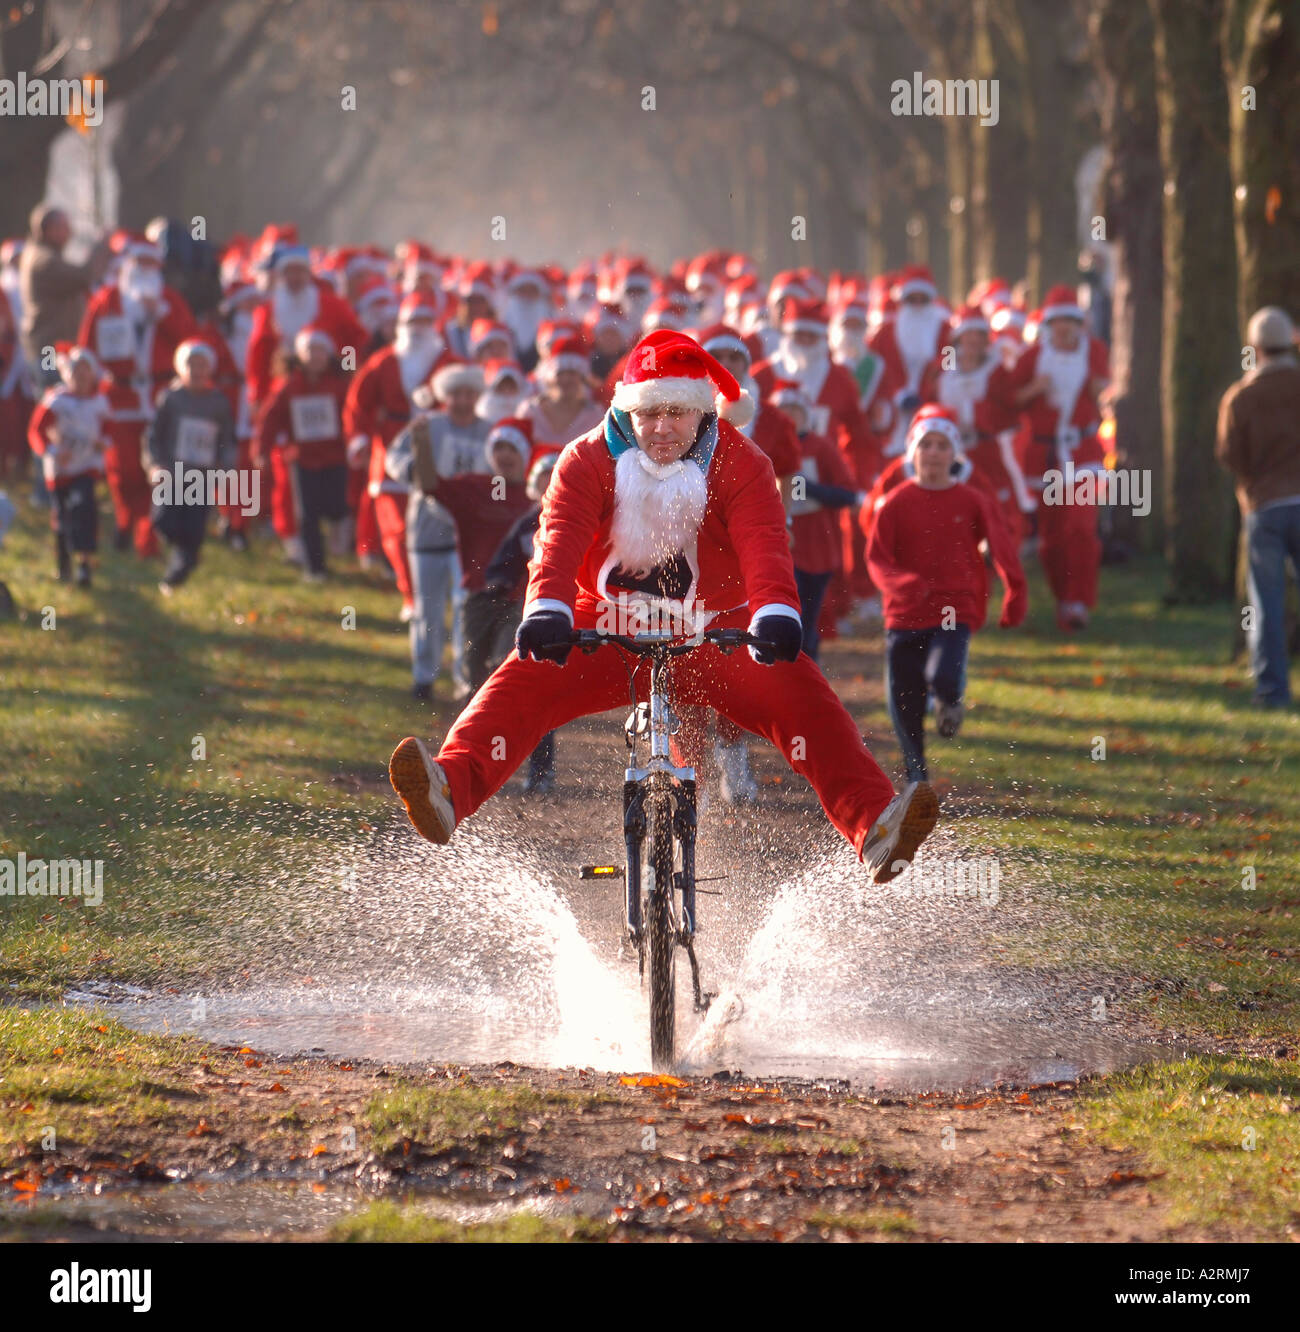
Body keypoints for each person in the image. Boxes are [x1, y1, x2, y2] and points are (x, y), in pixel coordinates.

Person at [387, 330, 940, 885]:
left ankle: (874, 824)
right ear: (628, 409)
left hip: (716, 626)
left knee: (804, 700)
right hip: (605, 619)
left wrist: (776, 613)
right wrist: (546, 610)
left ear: (703, 413)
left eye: (676, 413)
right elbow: (557, 542)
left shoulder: (741, 461)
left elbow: (764, 544)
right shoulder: (584, 458)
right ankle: (448, 791)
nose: (660, 429)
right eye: (648, 413)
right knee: (521, 682)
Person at [867, 406, 1027, 785]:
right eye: (927, 445)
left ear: (955, 454)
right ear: (912, 453)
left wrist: (1015, 589)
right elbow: (876, 558)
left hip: (956, 606)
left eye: (942, 446)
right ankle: (915, 773)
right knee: (904, 697)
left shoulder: (972, 499)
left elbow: (1002, 544)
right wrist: (900, 584)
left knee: (943, 673)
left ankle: (949, 699)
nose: (934, 453)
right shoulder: (895, 502)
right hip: (904, 613)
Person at [388, 416, 532, 695]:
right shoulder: (474, 487)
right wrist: (421, 442)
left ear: (525, 455)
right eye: (499, 447)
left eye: (512, 448)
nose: (505, 455)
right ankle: (471, 735)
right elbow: (430, 485)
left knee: (506, 668)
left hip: (520, 600)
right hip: (477, 595)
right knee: (472, 677)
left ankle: (527, 737)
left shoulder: (538, 494)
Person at [78, 236, 199, 558]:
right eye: (139, 264)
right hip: (119, 397)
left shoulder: (169, 300)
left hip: (160, 396)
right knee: (123, 469)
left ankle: (149, 536)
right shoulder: (105, 301)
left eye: (151, 266)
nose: (145, 271)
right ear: (127, 266)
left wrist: (162, 315)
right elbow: (88, 349)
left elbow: (191, 341)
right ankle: (124, 520)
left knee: (157, 470)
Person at [998, 284, 1110, 631]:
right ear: (1048, 324)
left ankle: (1079, 601)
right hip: (1044, 455)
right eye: (1058, 321)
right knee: (1052, 534)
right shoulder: (1033, 357)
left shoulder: (1094, 350)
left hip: (1083, 452)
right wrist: (1034, 389)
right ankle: (1064, 598)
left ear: (1080, 324)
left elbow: (1103, 390)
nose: (1064, 328)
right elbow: (1008, 399)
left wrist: (1101, 392)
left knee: (1080, 527)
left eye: (1071, 322)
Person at [384, 360, 491, 699]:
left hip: (468, 535)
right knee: (426, 608)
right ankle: (423, 676)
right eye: (456, 393)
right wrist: (415, 472)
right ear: (446, 396)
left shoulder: (488, 431)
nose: (462, 400)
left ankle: (465, 679)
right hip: (427, 530)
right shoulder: (428, 425)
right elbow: (394, 457)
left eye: (469, 394)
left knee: (466, 608)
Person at [1216, 305, 1300, 707]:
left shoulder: (1241, 398)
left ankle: (1272, 691)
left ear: (1255, 347)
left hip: (1265, 507)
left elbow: (1230, 455)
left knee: (1266, 603)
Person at [481, 452, 561, 793]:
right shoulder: (527, 525)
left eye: (554, 476)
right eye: (543, 477)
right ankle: (523, 770)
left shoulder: (583, 520)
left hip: (568, 613)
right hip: (525, 613)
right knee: (525, 694)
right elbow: (503, 563)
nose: (548, 484)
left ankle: (542, 772)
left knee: (546, 697)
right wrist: (498, 581)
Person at [256, 326, 351, 581]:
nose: (315, 357)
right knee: (306, 514)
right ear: (299, 355)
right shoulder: (288, 385)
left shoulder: (339, 385)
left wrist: (354, 443)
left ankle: (339, 530)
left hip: (335, 457)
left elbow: (352, 416)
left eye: (320, 351)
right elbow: (270, 418)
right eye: (310, 351)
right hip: (302, 459)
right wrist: (262, 451)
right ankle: (315, 568)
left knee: (337, 506)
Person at [146, 339, 236, 593]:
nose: (196, 371)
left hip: (202, 476)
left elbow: (226, 440)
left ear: (211, 369)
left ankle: (178, 571)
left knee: (194, 528)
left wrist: (226, 468)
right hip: (172, 474)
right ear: (179, 367)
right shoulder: (171, 398)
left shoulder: (218, 402)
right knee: (164, 522)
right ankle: (183, 554)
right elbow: (154, 436)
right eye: (191, 364)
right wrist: (154, 465)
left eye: (202, 365)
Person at [26, 345, 110, 585]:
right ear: (66, 373)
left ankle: (84, 563)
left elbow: (108, 430)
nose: (81, 377)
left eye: (86, 371)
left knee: (84, 508)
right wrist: (52, 451)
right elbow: (36, 432)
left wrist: (104, 443)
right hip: (60, 469)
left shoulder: (99, 402)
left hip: (86, 467)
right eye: (76, 371)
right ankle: (64, 563)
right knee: (63, 517)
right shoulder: (56, 400)